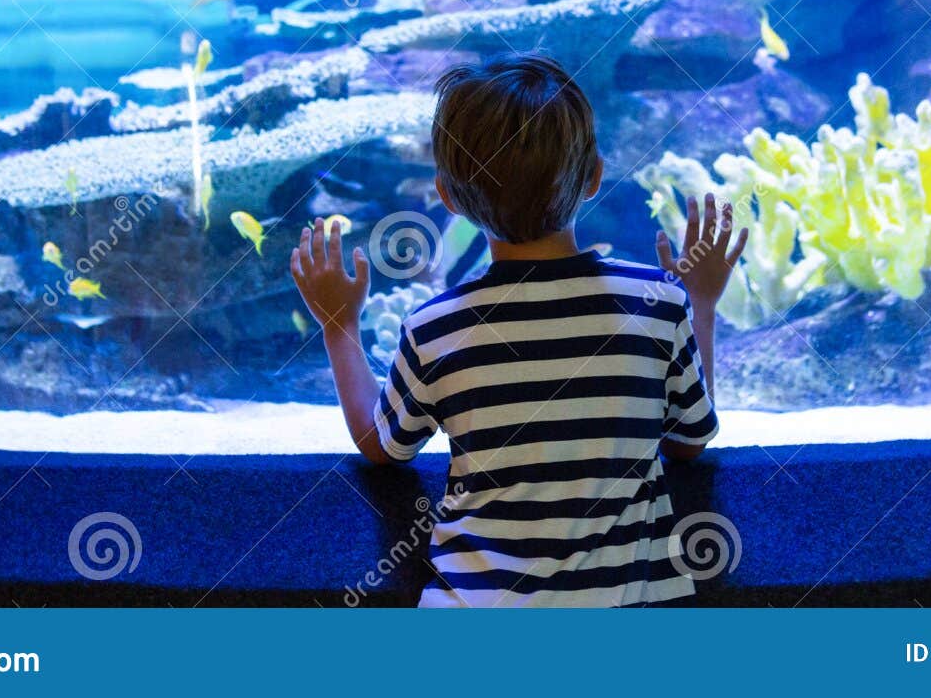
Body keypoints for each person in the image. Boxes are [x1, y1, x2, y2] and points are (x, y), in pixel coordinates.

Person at [290, 53, 748, 607]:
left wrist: (339, 326)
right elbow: (689, 441)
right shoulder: (656, 306)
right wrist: (700, 301)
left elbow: (383, 447)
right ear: (595, 177)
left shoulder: (435, 328)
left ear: (449, 196)